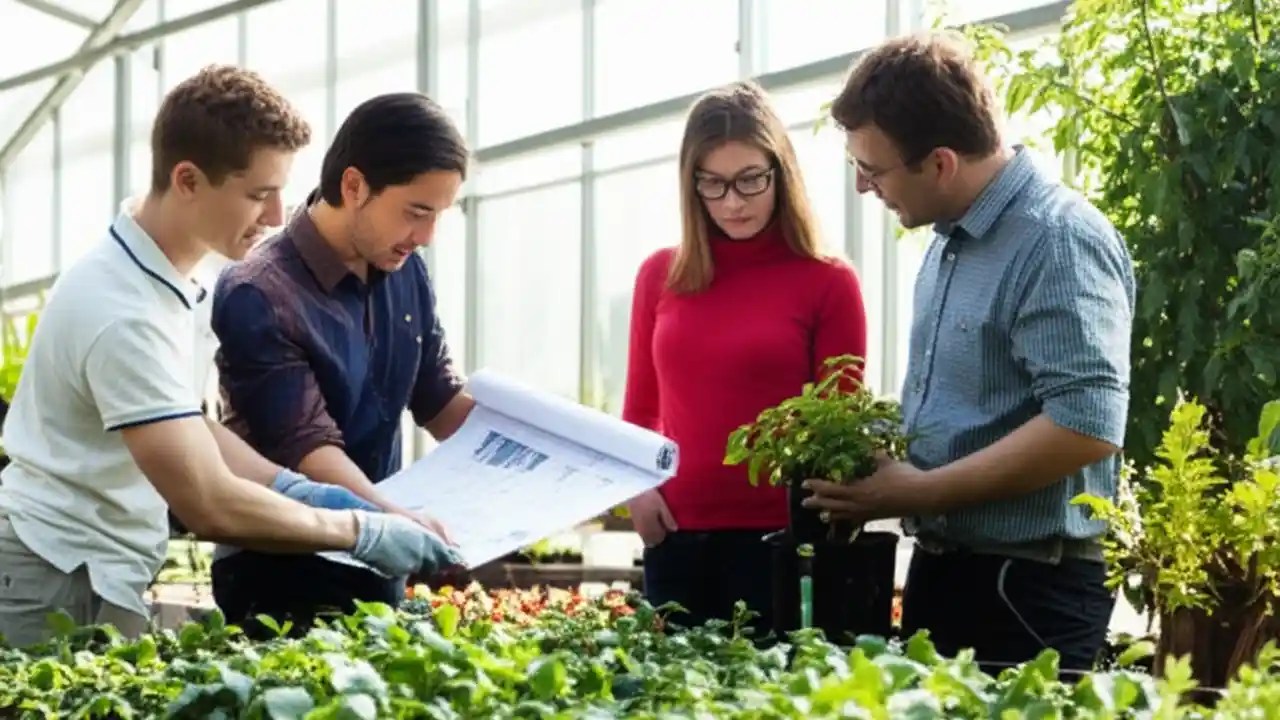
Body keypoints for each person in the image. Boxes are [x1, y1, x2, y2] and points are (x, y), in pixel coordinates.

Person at [0, 66, 462, 649]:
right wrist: (357, 530)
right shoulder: (121, 310)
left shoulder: (175, 281)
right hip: (52, 573)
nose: (275, 217)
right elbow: (208, 500)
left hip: (98, 567)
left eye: (279, 192)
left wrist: (301, 489)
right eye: (257, 194)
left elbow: (189, 430)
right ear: (188, 180)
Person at [803, 31, 1135, 670]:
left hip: (1025, 589)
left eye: (872, 170)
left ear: (940, 164)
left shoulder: (1057, 241)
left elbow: (1087, 425)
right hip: (949, 570)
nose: (864, 188)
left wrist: (917, 493)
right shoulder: (952, 240)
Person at [208, 92, 475, 633]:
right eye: (416, 212)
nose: (425, 238)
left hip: (379, 560)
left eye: (439, 215)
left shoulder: (406, 271)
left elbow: (439, 398)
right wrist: (396, 522)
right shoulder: (259, 291)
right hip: (283, 572)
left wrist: (556, 450)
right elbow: (309, 448)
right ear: (354, 186)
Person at [622, 80, 868, 635]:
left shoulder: (827, 280)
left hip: (782, 542)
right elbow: (640, 412)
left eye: (750, 180)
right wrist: (637, 491)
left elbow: (839, 429)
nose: (733, 202)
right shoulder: (661, 274)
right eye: (712, 184)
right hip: (675, 537)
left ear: (782, 172)